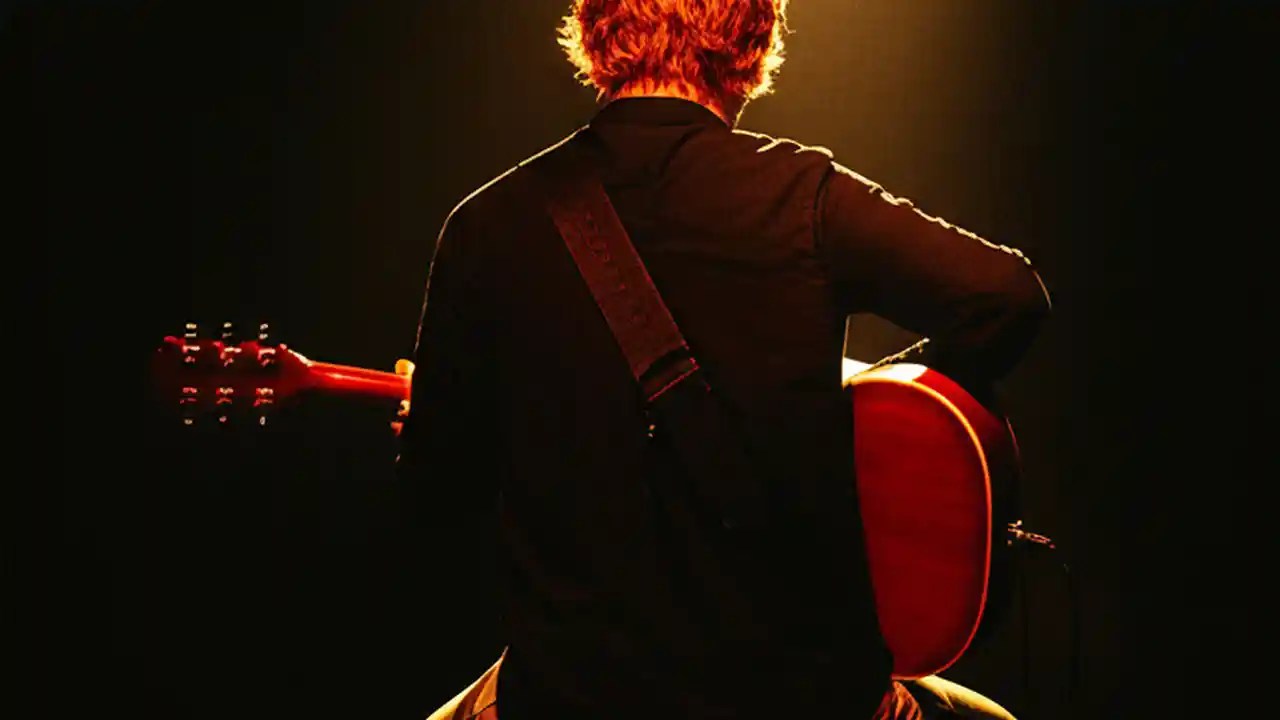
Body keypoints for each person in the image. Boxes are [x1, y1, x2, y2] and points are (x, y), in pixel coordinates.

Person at [395, 1, 1051, 718]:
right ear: (753, 39)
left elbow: (438, 503)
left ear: (593, 29)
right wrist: (871, 402)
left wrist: (452, 416)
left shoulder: (486, 224)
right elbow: (1010, 297)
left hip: (569, 696)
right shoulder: (801, 197)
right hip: (803, 698)